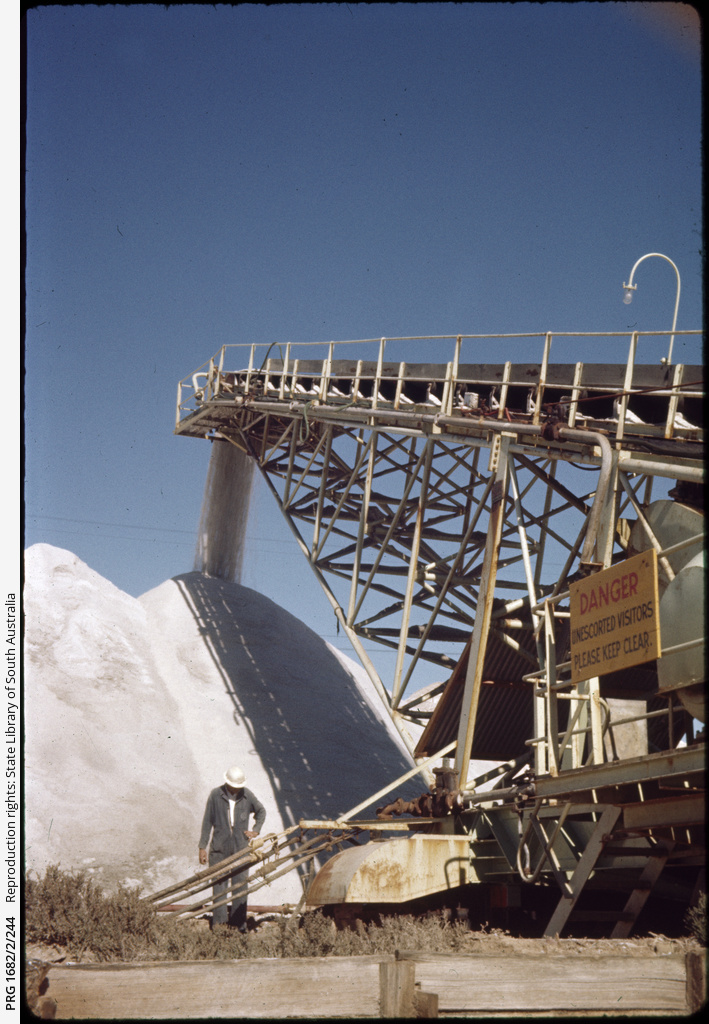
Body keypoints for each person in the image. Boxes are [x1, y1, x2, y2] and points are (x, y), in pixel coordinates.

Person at [199, 766, 266, 931]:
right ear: (227, 783)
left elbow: (261, 811)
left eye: (239, 787)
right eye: (233, 787)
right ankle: (220, 927)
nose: (236, 790)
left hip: (241, 849)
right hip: (219, 850)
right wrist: (202, 847)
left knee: (240, 886)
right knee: (219, 886)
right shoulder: (215, 795)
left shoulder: (247, 795)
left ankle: (238, 928)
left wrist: (256, 830)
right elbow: (207, 822)